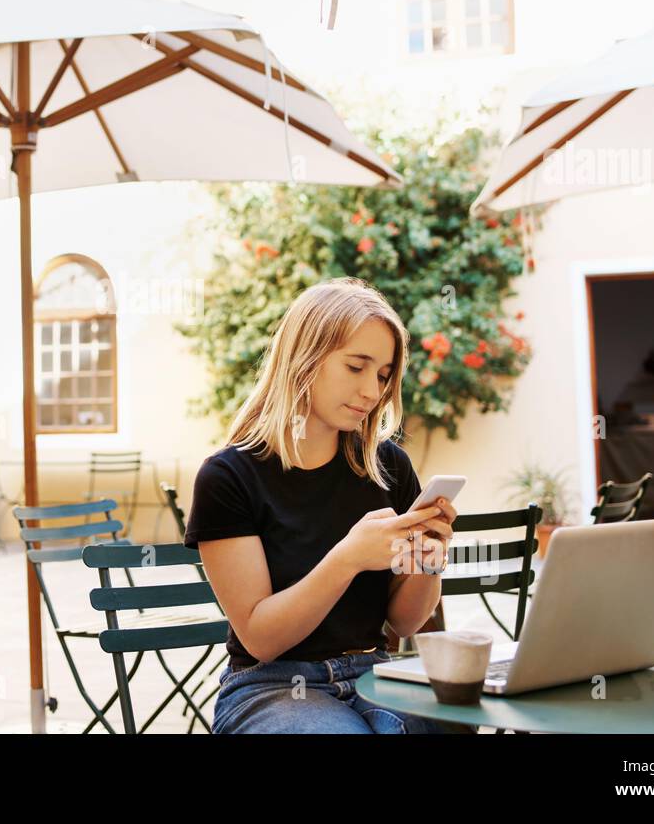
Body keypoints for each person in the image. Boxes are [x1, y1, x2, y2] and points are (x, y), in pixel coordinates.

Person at [184, 277, 472, 733]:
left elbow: (404, 619)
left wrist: (428, 559)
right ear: (305, 359)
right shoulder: (229, 478)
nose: (372, 391)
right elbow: (262, 639)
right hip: (272, 684)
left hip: (377, 673)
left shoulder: (387, 466)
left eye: (382, 375)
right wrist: (349, 557)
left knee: (453, 723)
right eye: (356, 367)